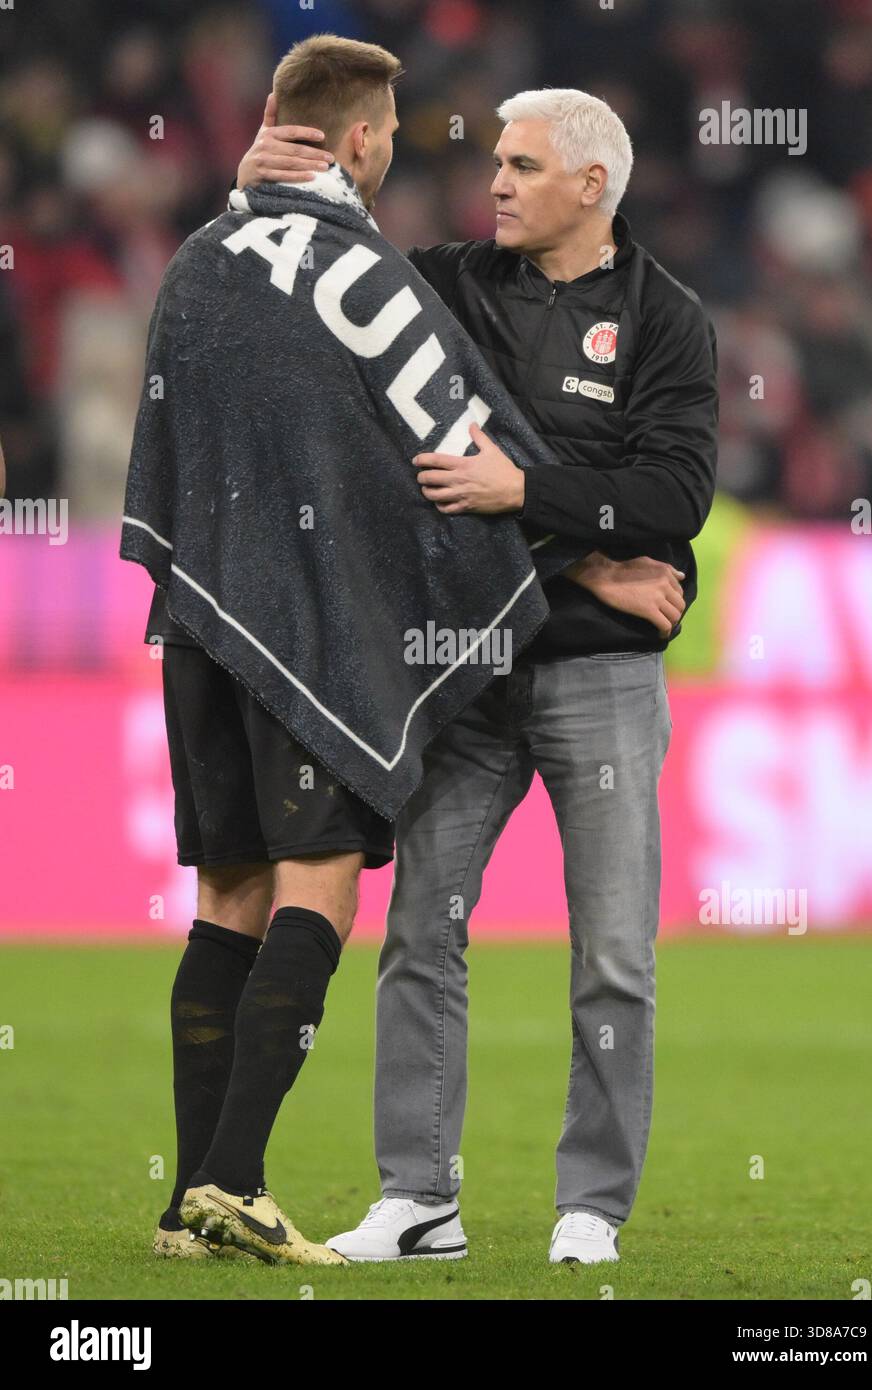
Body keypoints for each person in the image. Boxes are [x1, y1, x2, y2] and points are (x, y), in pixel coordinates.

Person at [131, 37, 662, 1268]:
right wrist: (592, 559)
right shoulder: (363, 275)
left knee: (225, 895)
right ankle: (233, 1181)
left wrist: (237, 185)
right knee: (321, 883)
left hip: (192, 618)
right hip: (298, 627)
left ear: (276, 126)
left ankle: (184, 1212)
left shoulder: (207, 252)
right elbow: (450, 422)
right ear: (363, 140)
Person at [236, 84, 718, 1265]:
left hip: (599, 682)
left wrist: (520, 495)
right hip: (462, 672)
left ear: (591, 185)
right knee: (420, 933)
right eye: (493, 162)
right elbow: (372, 429)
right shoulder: (441, 284)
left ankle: (589, 1208)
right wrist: (258, 188)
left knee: (611, 950)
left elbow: (676, 498)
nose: (491, 181)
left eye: (519, 165)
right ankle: (418, 1200)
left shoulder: (665, 318)